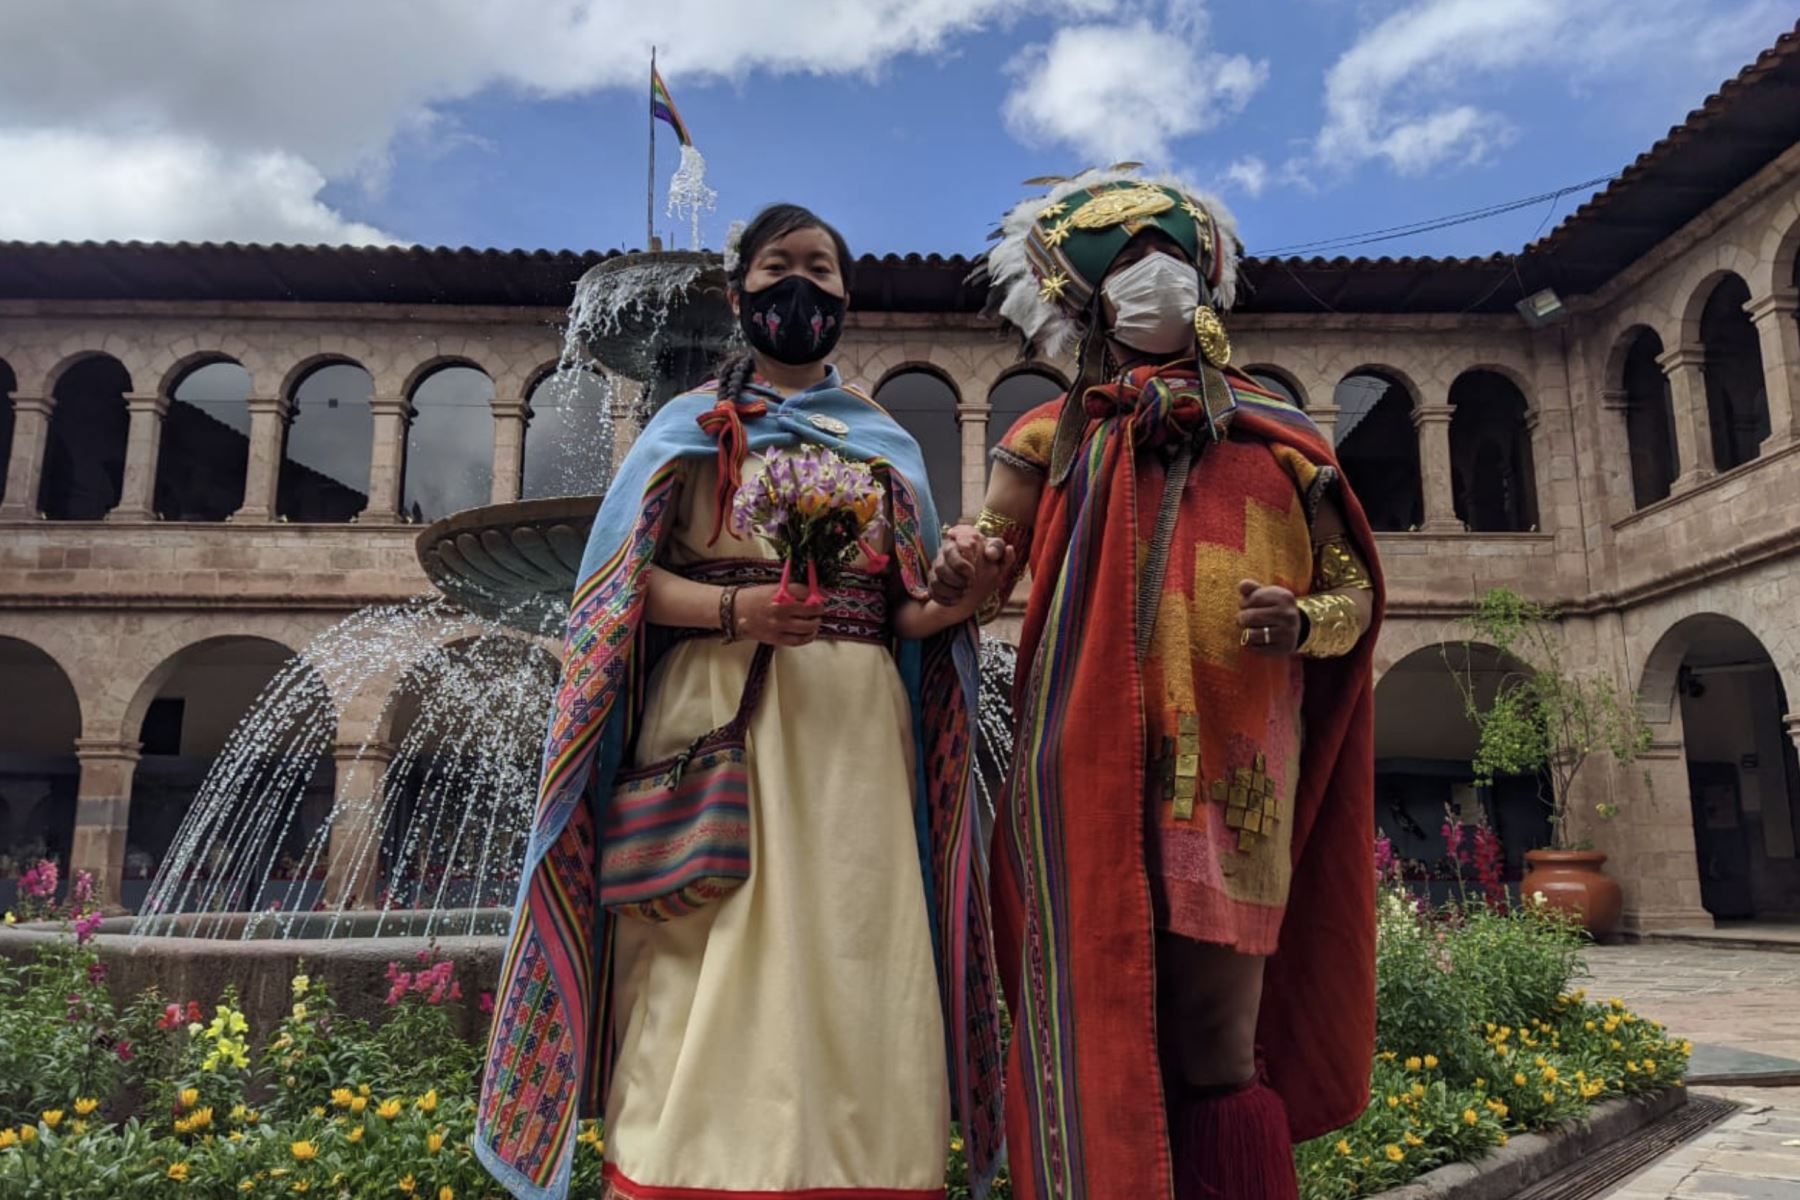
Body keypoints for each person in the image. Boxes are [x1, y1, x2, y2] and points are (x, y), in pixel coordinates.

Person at [476, 204, 1008, 1200]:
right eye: (778, 266)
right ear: (740, 295)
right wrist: (738, 608)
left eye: (820, 268)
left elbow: (909, 616)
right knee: (703, 948)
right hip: (716, 715)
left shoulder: (884, 445)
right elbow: (623, 592)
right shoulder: (687, 431)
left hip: (854, 730)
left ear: (846, 298)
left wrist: (966, 596)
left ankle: (866, 1172)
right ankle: (689, 1171)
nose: (799, 284)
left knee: (857, 946)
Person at [935, 172, 1385, 1200]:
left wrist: (1304, 618)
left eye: (1168, 253)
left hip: (1237, 781)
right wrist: (963, 562)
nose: (1155, 276)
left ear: (1208, 273)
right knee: (1101, 1023)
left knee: (1219, 1042)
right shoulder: (1048, 438)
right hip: (1085, 770)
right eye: (1128, 261)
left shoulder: (1287, 439)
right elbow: (982, 576)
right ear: (1086, 298)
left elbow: (1355, 594)